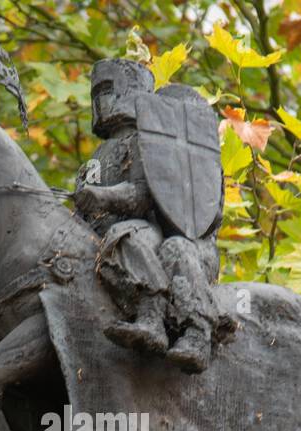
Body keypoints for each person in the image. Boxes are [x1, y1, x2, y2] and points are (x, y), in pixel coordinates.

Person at [73, 59, 234, 373]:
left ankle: (184, 327)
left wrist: (100, 196)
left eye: (107, 92)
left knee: (142, 239)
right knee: (124, 238)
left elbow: (141, 194)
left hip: (179, 243)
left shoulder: (151, 143)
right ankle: (147, 321)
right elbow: (84, 203)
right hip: (115, 238)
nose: (100, 102)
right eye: (97, 95)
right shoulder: (100, 154)